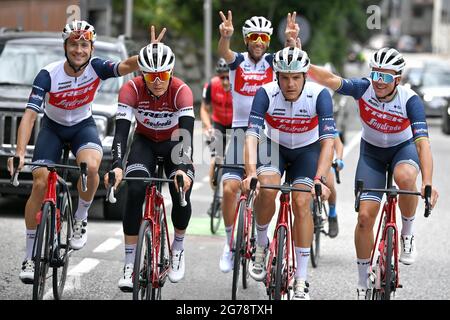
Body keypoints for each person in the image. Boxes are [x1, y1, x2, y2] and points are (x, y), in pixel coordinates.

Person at [7, 20, 143, 284]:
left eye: (84, 44)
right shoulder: (48, 74)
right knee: (39, 181)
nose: (79, 50)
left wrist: (148, 53)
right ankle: (29, 255)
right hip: (53, 129)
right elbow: (30, 116)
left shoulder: (96, 67)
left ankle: (81, 216)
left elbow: (126, 66)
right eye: (74, 44)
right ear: (65, 46)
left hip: (83, 126)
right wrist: (20, 152)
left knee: (91, 168)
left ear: (90, 48)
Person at [306, 47, 439, 299]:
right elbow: (329, 79)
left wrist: (428, 183)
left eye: (386, 77)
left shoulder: (410, 100)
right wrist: (303, 61)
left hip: (403, 149)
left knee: (406, 178)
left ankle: (407, 234)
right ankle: (361, 279)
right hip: (372, 154)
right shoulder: (363, 88)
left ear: (397, 80)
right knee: (365, 218)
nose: (379, 81)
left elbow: (423, 144)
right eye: (376, 73)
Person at [242, 47, 335, 300]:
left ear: (305, 76)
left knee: (302, 201)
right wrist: (251, 172)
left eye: (296, 77)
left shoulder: (319, 95)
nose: (290, 83)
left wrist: (320, 178)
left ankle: (301, 279)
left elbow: (327, 142)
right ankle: (261, 246)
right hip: (274, 146)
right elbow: (251, 135)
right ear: (277, 76)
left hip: (308, 149)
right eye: (284, 77)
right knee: (267, 187)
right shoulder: (265, 94)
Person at [104, 42, 195, 291]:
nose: (157, 81)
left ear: (171, 71)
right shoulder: (130, 89)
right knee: (133, 191)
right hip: (144, 143)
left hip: (174, 143)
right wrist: (117, 166)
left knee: (180, 190)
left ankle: (177, 248)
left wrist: (183, 169)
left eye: (163, 75)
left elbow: (186, 136)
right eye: (151, 75)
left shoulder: (181, 91)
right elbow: (121, 134)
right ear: (142, 74)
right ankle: (129, 263)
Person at [217, 10, 299, 273]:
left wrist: (291, 41)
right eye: (253, 36)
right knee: (229, 188)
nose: (258, 41)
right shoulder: (237, 61)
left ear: (267, 40)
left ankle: (261, 242)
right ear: (246, 39)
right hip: (241, 131)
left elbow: (292, 59)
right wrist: (224, 37)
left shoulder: (274, 62)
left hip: (267, 133)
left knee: (267, 189)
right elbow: (224, 52)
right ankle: (230, 244)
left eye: (263, 37)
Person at [199, 58, 233, 194]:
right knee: (215, 160)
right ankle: (216, 197)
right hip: (218, 123)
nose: (225, 81)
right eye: (222, 77)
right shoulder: (211, 86)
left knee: (237, 159)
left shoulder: (239, 87)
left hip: (234, 124)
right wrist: (207, 126)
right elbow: (204, 109)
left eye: (228, 77)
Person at [326, 133, 344, 238]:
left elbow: (338, 144)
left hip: (326, 161)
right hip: (309, 158)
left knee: (329, 184)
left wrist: (339, 159)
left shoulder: (325, 119)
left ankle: (332, 215)